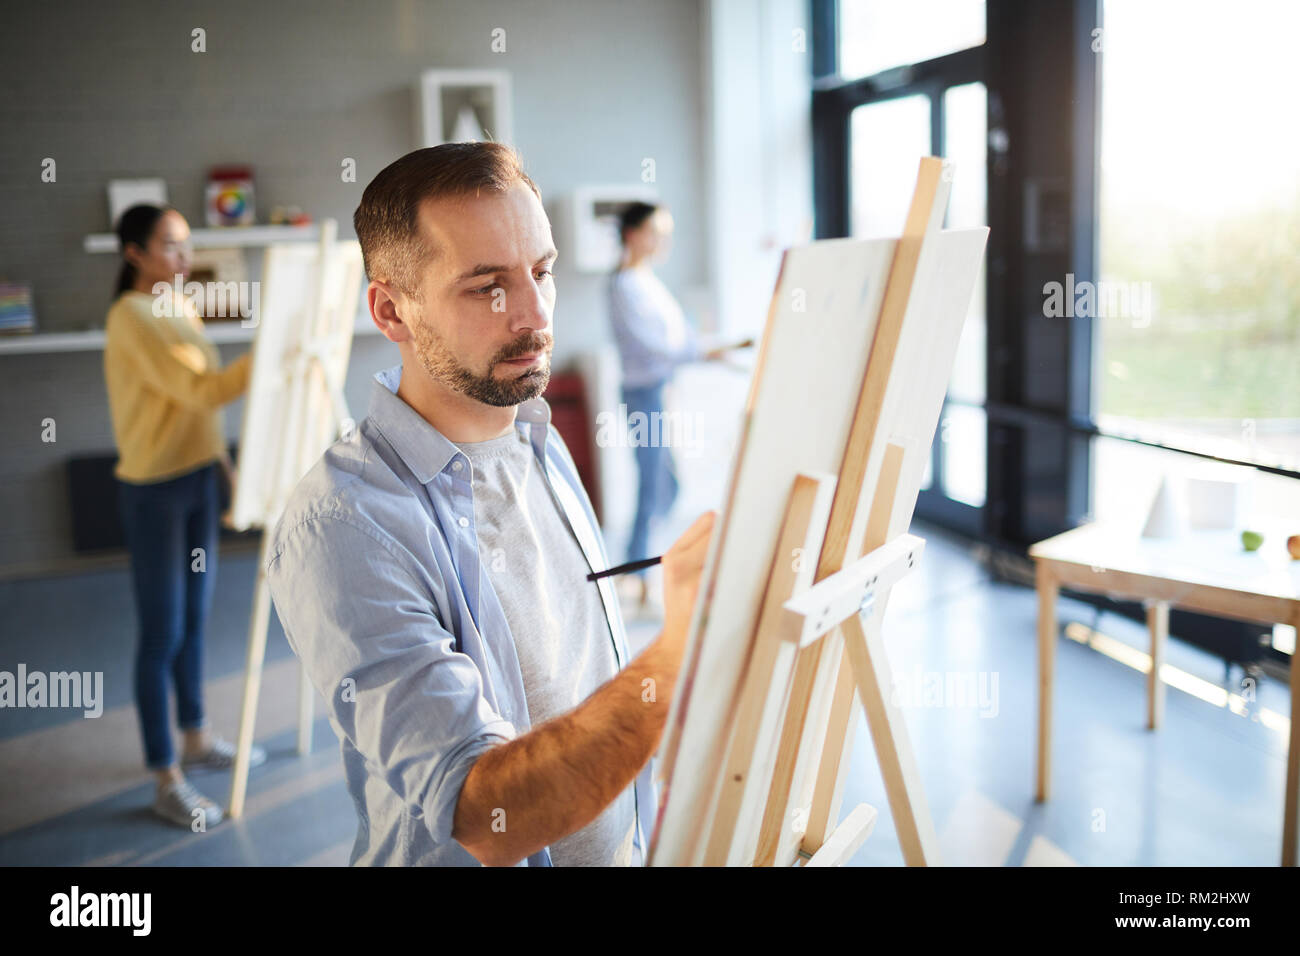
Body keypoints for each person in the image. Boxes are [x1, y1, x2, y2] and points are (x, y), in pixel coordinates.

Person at [265, 143, 716, 866]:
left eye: (542, 272)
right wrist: (677, 655)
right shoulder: (346, 526)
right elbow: (485, 813)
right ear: (392, 311)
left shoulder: (538, 439)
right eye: (487, 287)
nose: (534, 315)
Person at [104, 203, 265, 829]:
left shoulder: (176, 304)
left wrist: (224, 470)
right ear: (134, 253)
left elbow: (199, 413)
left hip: (198, 479)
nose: (181, 257)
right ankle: (165, 775)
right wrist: (272, 344)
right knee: (162, 632)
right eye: (169, 246)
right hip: (155, 491)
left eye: (185, 245)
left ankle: (195, 738)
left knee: (195, 621)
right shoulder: (132, 317)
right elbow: (205, 390)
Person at [608, 202, 752, 608]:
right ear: (633, 234)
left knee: (667, 486)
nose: (664, 241)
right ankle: (634, 576)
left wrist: (714, 350)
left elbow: (679, 339)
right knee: (653, 486)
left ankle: (639, 570)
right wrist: (705, 352)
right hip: (645, 395)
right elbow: (658, 346)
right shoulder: (624, 285)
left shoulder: (648, 282)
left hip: (660, 390)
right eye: (657, 232)